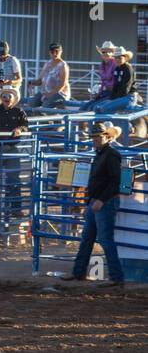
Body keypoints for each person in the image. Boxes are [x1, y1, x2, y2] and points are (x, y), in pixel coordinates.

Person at [63, 121, 124, 288]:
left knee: (103, 239)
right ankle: (79, 272)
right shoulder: (102, 154)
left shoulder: (110, 155)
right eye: (93, 137)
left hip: (103, 202)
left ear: (107, 137)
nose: (94, 140)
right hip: (97, 202)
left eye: (98, 137)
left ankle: (116, 277)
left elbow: (114, 182)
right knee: (90, 238)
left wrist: (100, 200)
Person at [91, 47, 136, 114]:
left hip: (128, 97)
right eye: (116, 57)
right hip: (121, 96)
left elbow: (126, 87)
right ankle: (101, 123)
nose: (117, 59)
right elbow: (115, 86)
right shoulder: (117, 68)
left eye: (119, 57)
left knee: (103, 108)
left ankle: (110, 122)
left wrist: (114, 99)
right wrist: (112, 98)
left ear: (125, 57)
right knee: (96, 107)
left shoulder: (128, 69)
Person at [27, 42, 69, 109]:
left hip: (60, 93)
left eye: (57, 51)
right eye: (52, 51)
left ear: (61, 52)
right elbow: (40, 81)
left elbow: (62, 84)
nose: (54, 53)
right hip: (45, 92)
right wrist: (32, 83)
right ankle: (34, 118)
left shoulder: (63, 65)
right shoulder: (47, 64)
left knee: (46, 106)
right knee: (31, 103)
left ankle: (53, 118)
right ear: (49, 52)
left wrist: (50, 94)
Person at [89, 40, 119, 105]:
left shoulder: (115, 64)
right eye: (104, 52)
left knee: (93, 106)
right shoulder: (102, 65)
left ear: (112, 53)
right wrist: (99, 92)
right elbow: (103, 81)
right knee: (88, 105)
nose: (106, 53)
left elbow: (115, 82)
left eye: (109, 51)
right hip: (105, 91)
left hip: (113, 93)